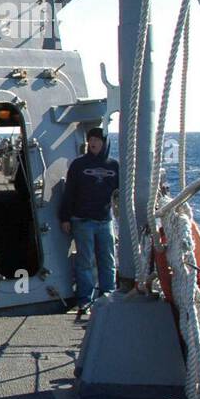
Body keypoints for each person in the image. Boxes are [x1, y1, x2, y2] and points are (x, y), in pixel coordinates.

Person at [59, 127, 119, 316]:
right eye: (90, 139)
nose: (93, 143)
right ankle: (85, 300)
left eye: (97, 140)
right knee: (85, 262)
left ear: (104, 143)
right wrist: (65, 217)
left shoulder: (114, 166)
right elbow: (69, 192)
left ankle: (108, 297)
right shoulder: (78, 165)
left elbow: (121, 193)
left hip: (104, 221)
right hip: (83, 221)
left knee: (107, 261)